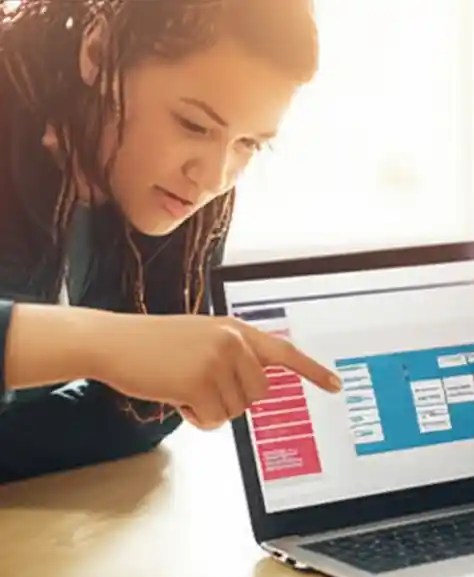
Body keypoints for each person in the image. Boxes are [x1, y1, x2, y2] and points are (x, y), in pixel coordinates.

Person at [0, 0, 341, 482]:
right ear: (98, 53)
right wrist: (110, 347)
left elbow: (137, 417)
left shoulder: (177, 190)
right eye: (194, 125)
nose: (213, 177)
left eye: (248, 143)